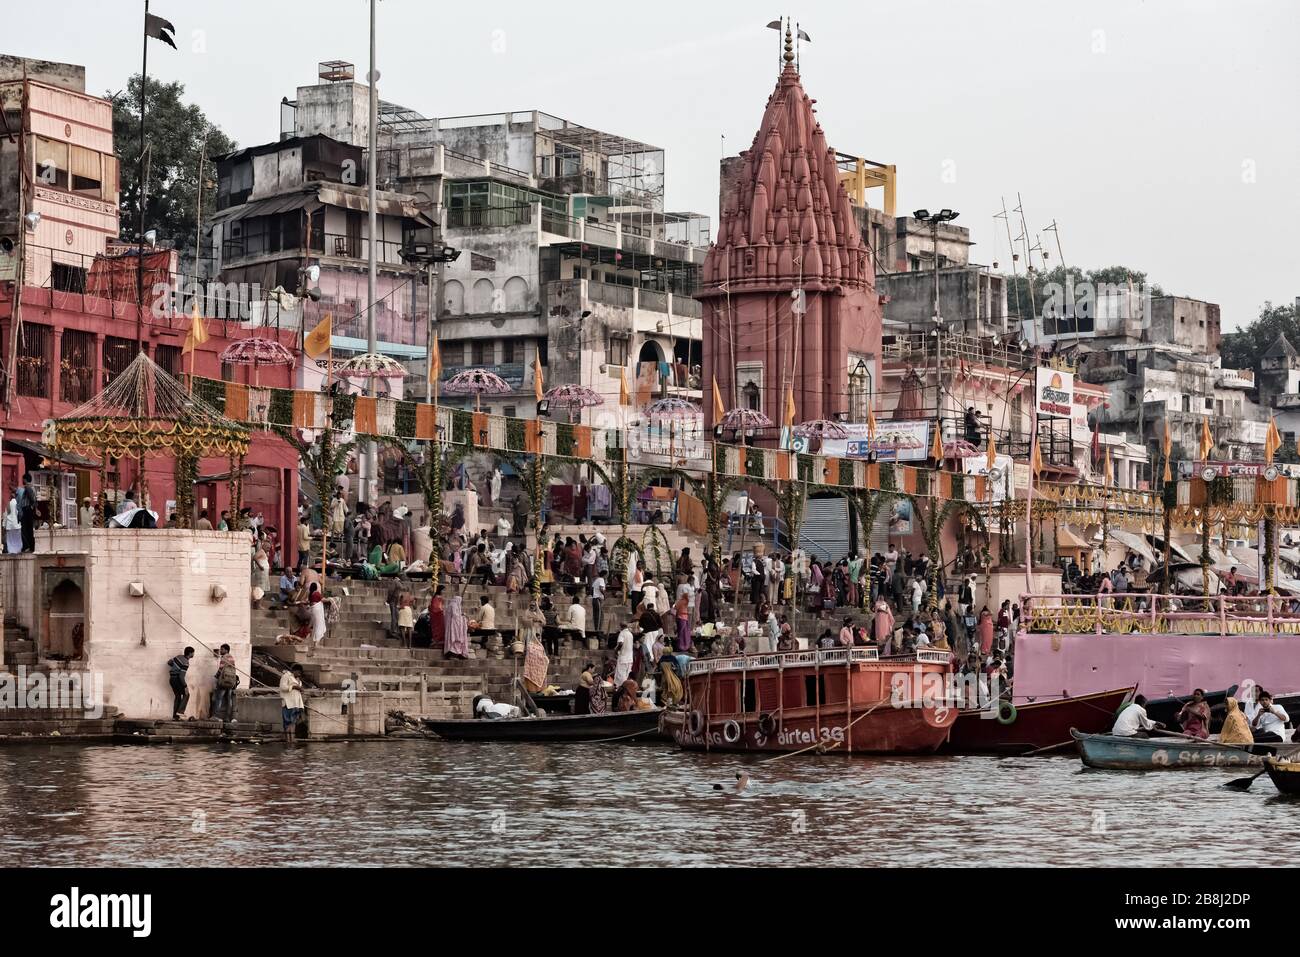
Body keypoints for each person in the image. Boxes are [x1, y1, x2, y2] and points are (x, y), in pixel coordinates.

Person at [212, 644, 239, 724]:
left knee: (219, 698)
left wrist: (216, 677)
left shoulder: (224, 658)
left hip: (223, 681)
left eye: (222, 649)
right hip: (231, 682)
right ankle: (227, 717)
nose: (220, 651)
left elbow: (220, 669)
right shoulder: (232, 658)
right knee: (229, 700)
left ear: (226, 650)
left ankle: (216, 716)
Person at [279, 665, 305, 743]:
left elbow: (298, 689)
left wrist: (299, 688)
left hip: (296, 703)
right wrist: (294, 687)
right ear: (294, 671)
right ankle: (288, 739)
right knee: (287, 722)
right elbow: (283, 687)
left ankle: (292, 738)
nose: (299, 674)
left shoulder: (297, 679)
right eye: (298, 672)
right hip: (288, 703)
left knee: (293, 722)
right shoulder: (286, 676)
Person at [167, 647, 194, 720]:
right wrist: (185, 686)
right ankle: (180, 711)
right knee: (186, 694)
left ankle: (175, 717)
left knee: (178, 696)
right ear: (190, 653)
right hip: (177, 680)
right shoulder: (186, 663)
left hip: (171, 679)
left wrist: (175, 667)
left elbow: (169, 662)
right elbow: (181, 676)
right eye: (193, 652)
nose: (193, 654)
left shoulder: (178, 657)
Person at [444, 596, 470, 660]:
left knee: (451, 639)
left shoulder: (451, 604)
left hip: (451, 626)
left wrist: (462, 614)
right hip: (454, 626)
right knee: (455, 639)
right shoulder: (454, 605)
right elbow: (455, 616)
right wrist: (463, 618)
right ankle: (454, 655)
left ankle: (453, 654)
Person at [17, 473, 37, 553]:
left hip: (27, 509)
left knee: (26, 529)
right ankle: (29, 546)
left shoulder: (28, 488)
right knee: (28, 529)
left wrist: (31, 507)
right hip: (28, 509)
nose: (22, 481)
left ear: (25, 479)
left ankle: (29, 546)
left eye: (23, 479)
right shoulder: (31, 487)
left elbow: (32, 499)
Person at [614, 620, 635, 685]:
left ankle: (622, 690)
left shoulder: (622, 633)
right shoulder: (630, 634)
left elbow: (620, 643)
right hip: (629, 659)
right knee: (626, 675)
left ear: (621, 627)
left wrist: (616, 650)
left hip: (623, 658)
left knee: (621, 676)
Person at [428, 585, 446, 651]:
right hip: (437, 616)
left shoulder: (437, 597)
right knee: (438, 630)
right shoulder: (437, 597)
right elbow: (435, 607)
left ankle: (439, 643)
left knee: (441, 629)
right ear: (440, 590)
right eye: (443, 590)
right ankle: (436, 643)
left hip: (439, 615)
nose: (444, 592)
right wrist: (441, 611)